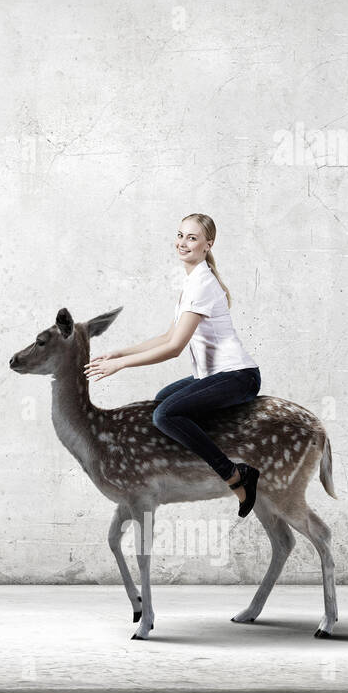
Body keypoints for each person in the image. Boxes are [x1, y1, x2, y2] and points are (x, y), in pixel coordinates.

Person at [85, 213, 263, 518]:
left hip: (238, 376)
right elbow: (168, 335)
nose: (182, 243)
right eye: (180, 235)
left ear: (208, 244)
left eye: (192, 238)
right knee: (162, 398)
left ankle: (234, 474)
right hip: (214, 375)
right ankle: (205, 455)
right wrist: (118, 353)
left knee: (165, 413)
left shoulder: (202, 285)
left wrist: (123, 365)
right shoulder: (193, 280)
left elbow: (174, 348)